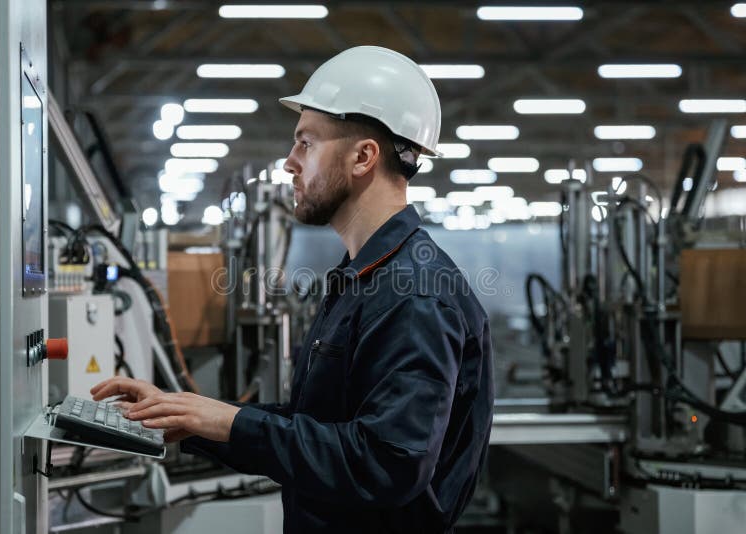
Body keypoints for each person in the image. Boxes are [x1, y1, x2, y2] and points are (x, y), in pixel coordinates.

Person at [92, 46, 494, 533]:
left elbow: (388, 463)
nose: (289, 162)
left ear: (363, 157)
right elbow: (318, 425)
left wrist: (228, 422)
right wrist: (193, 419)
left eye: (306, 143)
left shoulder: (414, 292)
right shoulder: (364, 276)